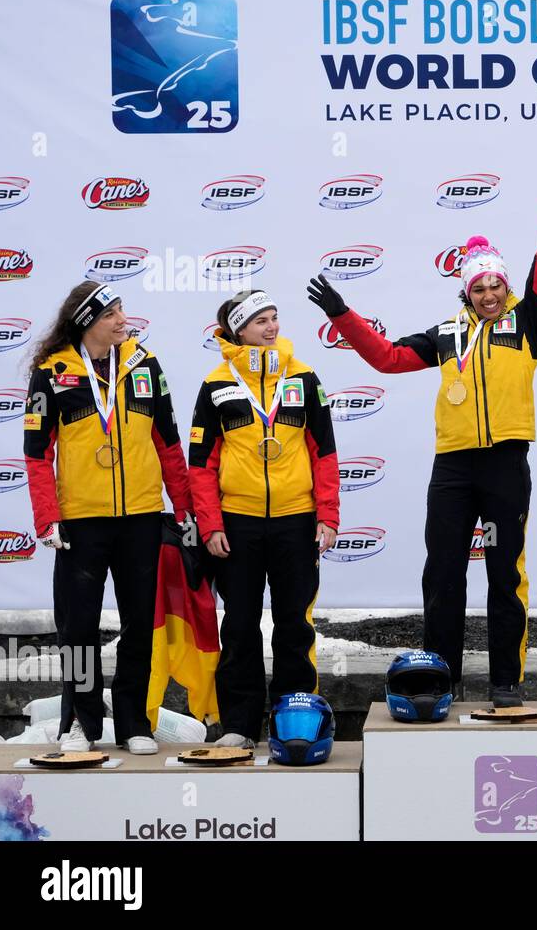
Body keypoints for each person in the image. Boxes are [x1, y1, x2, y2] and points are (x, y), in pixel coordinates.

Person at [306, 168, 537, 708]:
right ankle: (441, 680)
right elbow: (386, 359)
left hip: (504, 465)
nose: (487, 295)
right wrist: (342, 315)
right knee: (444, 576)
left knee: (505, 575)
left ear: (507, 288)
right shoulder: (445, 335)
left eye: (495, 285)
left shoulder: (528, 322)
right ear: (466, 290)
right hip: (453, 470)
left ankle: (506, 680)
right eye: (478, 287)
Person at [23, 280, 193, 755]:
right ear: (86, 323)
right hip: (81, 521)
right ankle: (79, 721)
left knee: (140, 624)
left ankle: (135, 721)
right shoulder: (52, 372)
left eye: (121, 310)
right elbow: (37, 454)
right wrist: (47, 518)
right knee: (78, 628)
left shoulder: (144, 364)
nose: (122, 320)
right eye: (110, 314)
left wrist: (185, 509)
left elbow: (168, 442)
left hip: (141, 515)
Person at [188, 290, 339, 748]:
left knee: (295, 624)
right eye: (259, 321)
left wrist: (328, 515)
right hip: (238, 524)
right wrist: (211, 524)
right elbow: (201, 465)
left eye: (274, 318)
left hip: (296, 520)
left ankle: (295, 720)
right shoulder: (216, 385)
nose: (271, 328)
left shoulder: (304, 376)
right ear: (238, 331)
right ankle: (238, 723)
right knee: (239, 625)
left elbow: (325, 453)